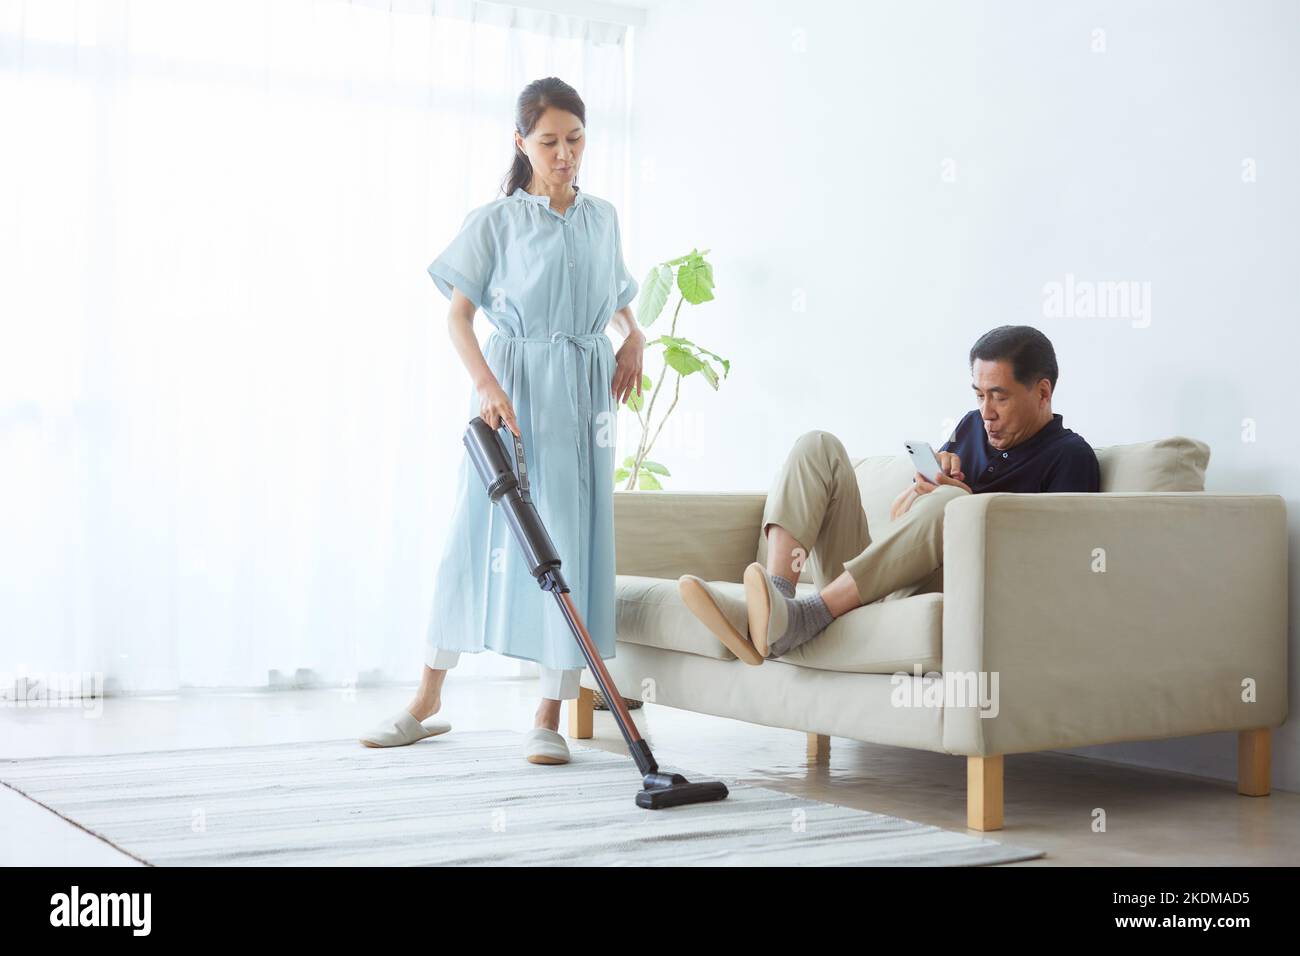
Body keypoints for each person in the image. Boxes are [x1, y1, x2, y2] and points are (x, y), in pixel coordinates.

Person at [360, 78, 645, 763]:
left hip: (582, 396)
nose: (565, 154)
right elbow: (457, 315)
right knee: (473, 538)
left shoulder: (603, 217)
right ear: (522, 143)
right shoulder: (495, 221)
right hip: (510, 396)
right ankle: (425, 700)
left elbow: (616, 296)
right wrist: (485, 382)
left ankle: (547, 714)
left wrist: (634, 334)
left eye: (575, 140)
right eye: (549, 142)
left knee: (567, 547)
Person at [680, 325, 1100, 662]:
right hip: (886, 575)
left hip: (957, 587)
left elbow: (1052, 569)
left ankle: (803, 617)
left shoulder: (1069, 457)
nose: (986, 412)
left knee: (951, 504)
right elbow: (906, 516)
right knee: (817, 445)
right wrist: (920, 493)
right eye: (978, 395)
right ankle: (778, 600)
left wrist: (959, 504)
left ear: (1043, 391)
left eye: (999, 397)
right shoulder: (971, 427)